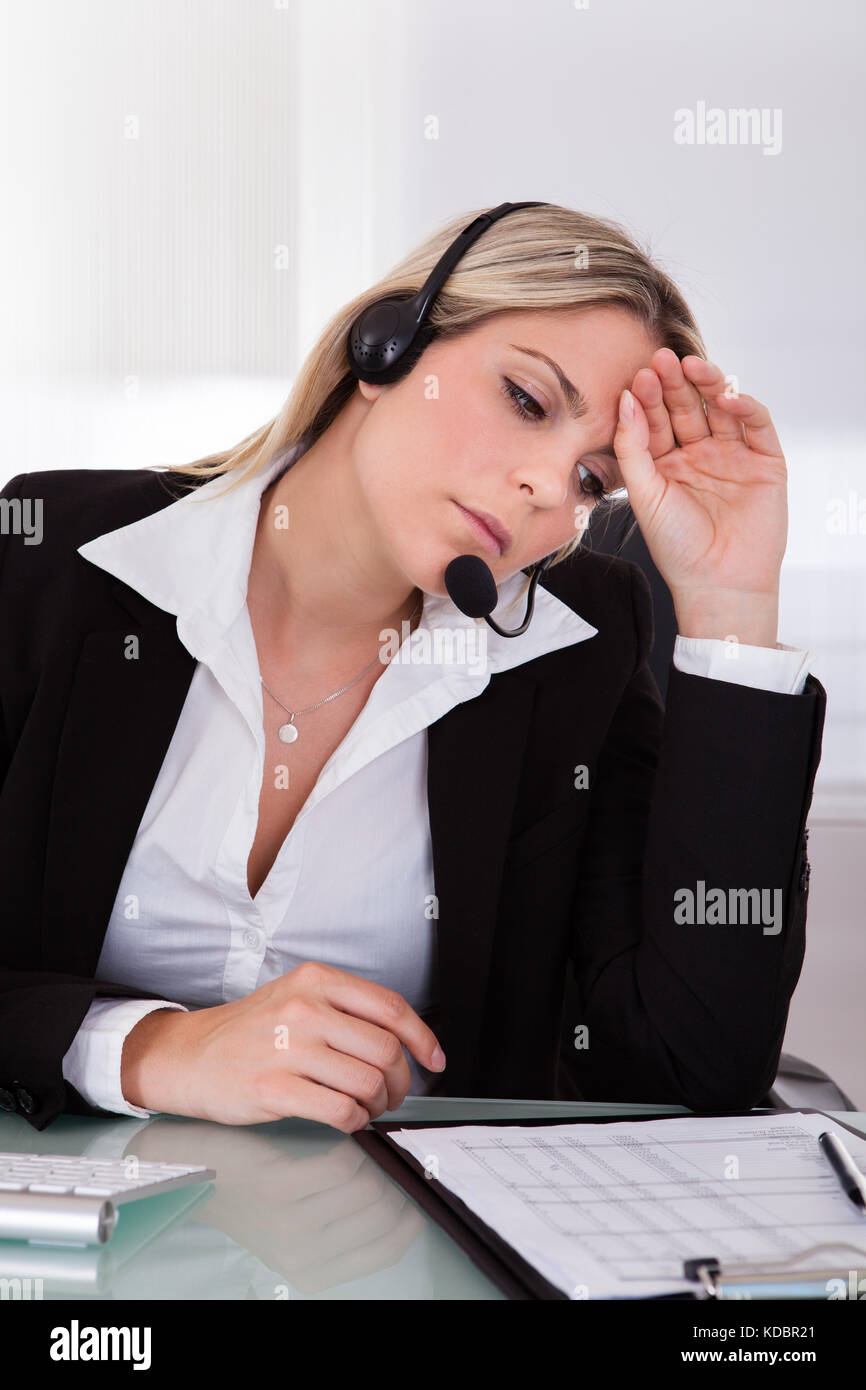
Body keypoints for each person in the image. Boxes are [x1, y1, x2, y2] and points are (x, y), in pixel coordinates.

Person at [0, 203, 824, 1134]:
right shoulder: (46, 563)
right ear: (386, 346)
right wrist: (148, 1049)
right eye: (527, 401)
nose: (550, 490)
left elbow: (695, 1063)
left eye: (594, 482)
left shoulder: (577, 650)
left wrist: (733, 605)